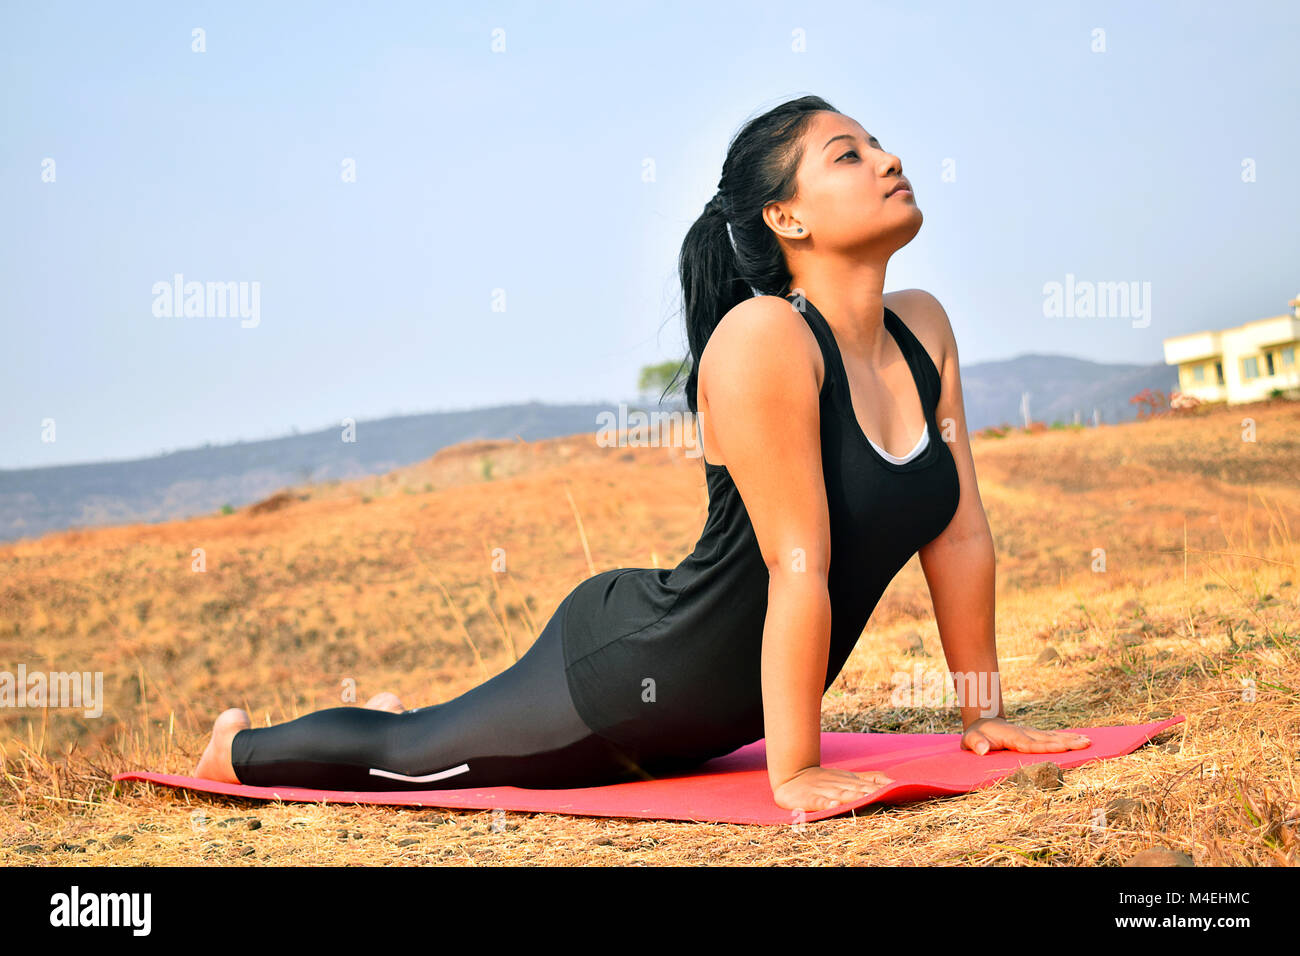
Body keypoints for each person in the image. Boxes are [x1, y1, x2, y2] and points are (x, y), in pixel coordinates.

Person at [194, 95, 1091, 812]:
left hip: (712, 713)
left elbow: (961, 534)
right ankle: (235, 745)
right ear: (786, 215)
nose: (889, 161)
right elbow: (798, 563)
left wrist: (985, 714)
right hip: (627, 675)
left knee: (426, 732)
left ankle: (402, 715)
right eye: (847, 155)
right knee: (407, 763)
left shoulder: (923, 328)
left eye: (879, 144)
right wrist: (794, 773)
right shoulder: (765, 338)